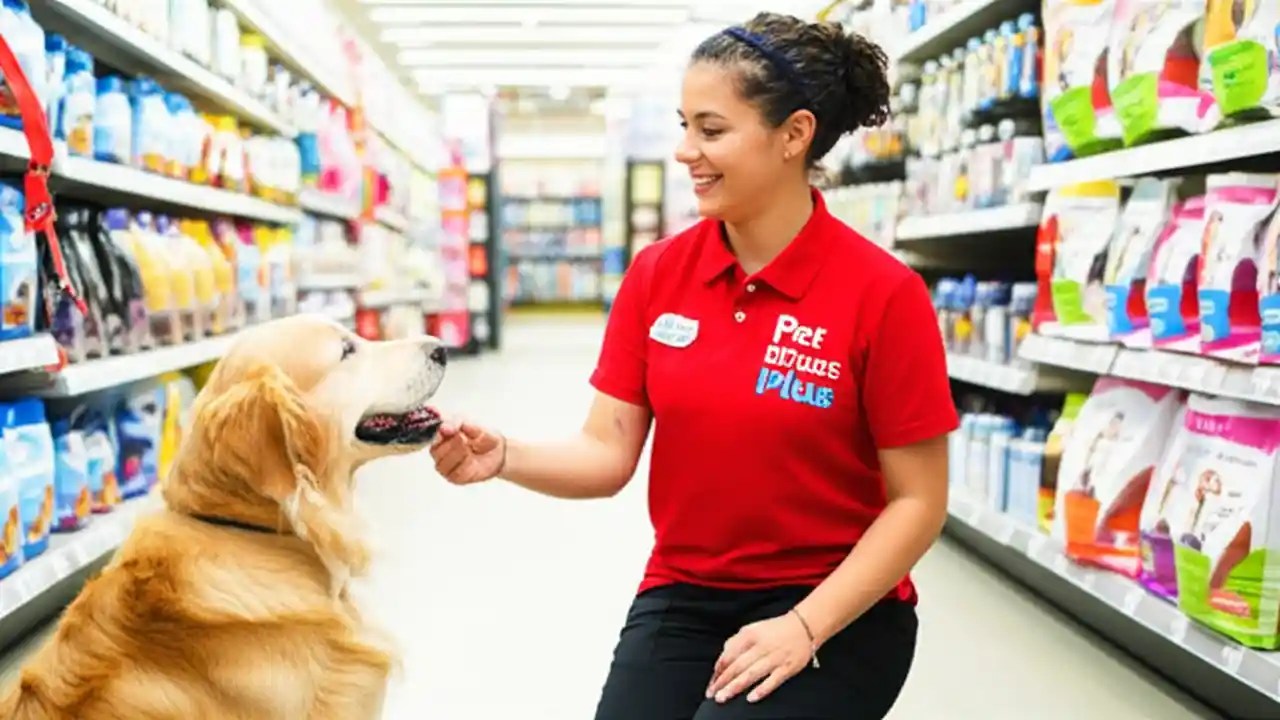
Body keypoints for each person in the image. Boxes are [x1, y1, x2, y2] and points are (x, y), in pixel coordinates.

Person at [430, 12, 957, 720]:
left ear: (794, 135)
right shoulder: (659, 275)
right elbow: (606, 451)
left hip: (837, 605)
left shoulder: (882, 294)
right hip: (684, 593)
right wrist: (504, 457)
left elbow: (918, 503)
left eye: (711, 130)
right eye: (684, 126)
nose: (685, 152)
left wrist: (804, 626)